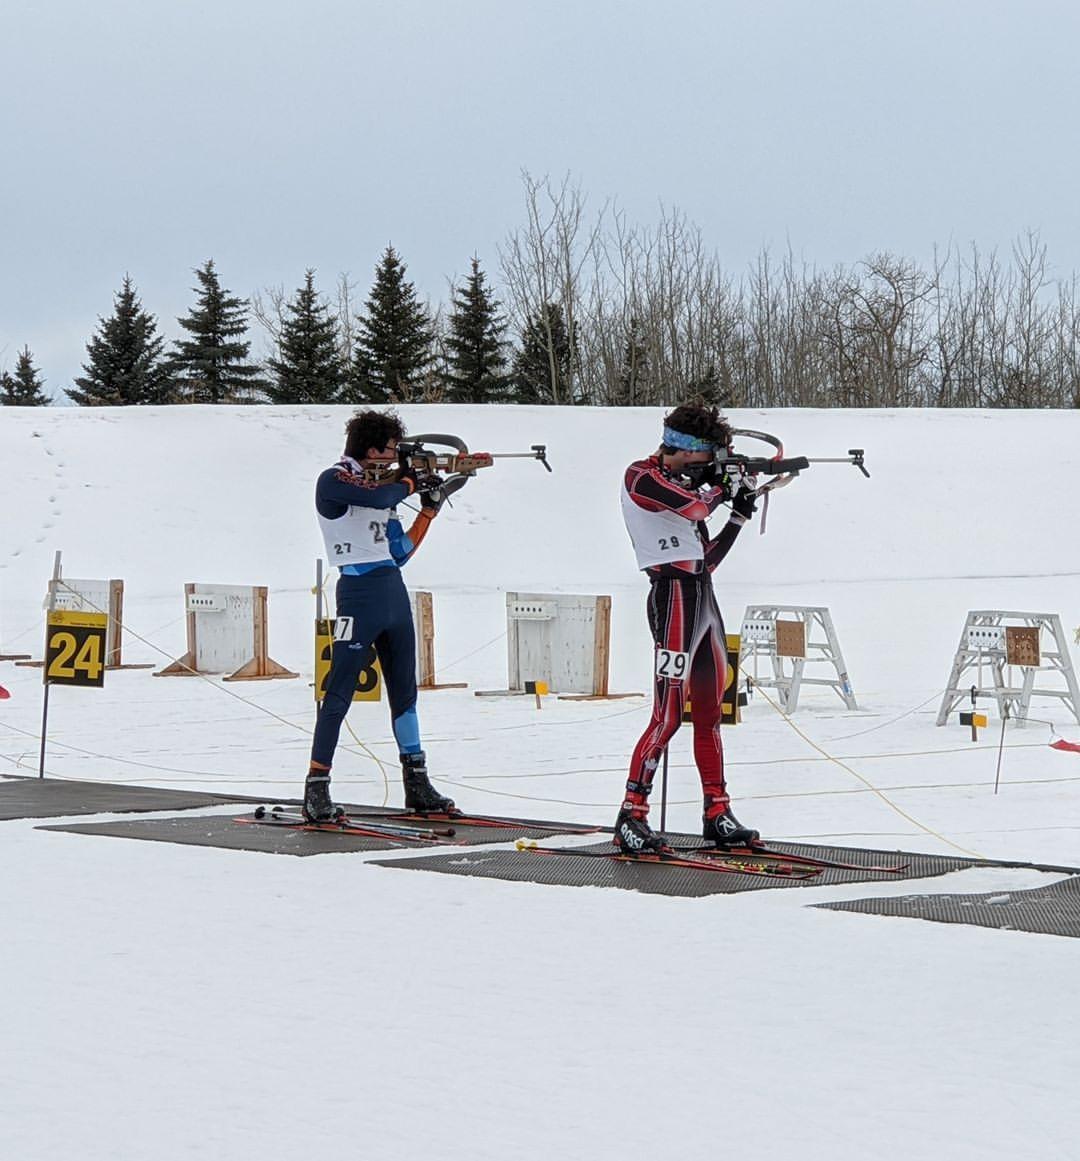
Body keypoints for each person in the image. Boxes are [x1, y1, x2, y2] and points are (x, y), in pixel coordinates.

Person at [615, 402, 759, 852]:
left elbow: (706, 558)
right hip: (672, 595)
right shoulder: (642, 476)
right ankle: (630, 814)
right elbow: (696, 508)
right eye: (703, 460)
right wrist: (722, 487)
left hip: (701, 595)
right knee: (668, 713)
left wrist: (738, 513)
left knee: (711, 712)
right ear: (683, 451)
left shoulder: (685, 484)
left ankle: (716, 810)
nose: (706, 469)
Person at [304, 408, 457, 821]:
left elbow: (400, 553)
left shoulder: (383, 488)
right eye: (390, 452)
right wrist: (410, 479)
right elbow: (378, 496)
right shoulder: (335, 480)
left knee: (405, 693)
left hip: (391, 590)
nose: (393, 459)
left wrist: (428, 510)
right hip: (357, 593)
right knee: (339, 691)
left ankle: (417, 781)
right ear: (370, 449)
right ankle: (316, 786)